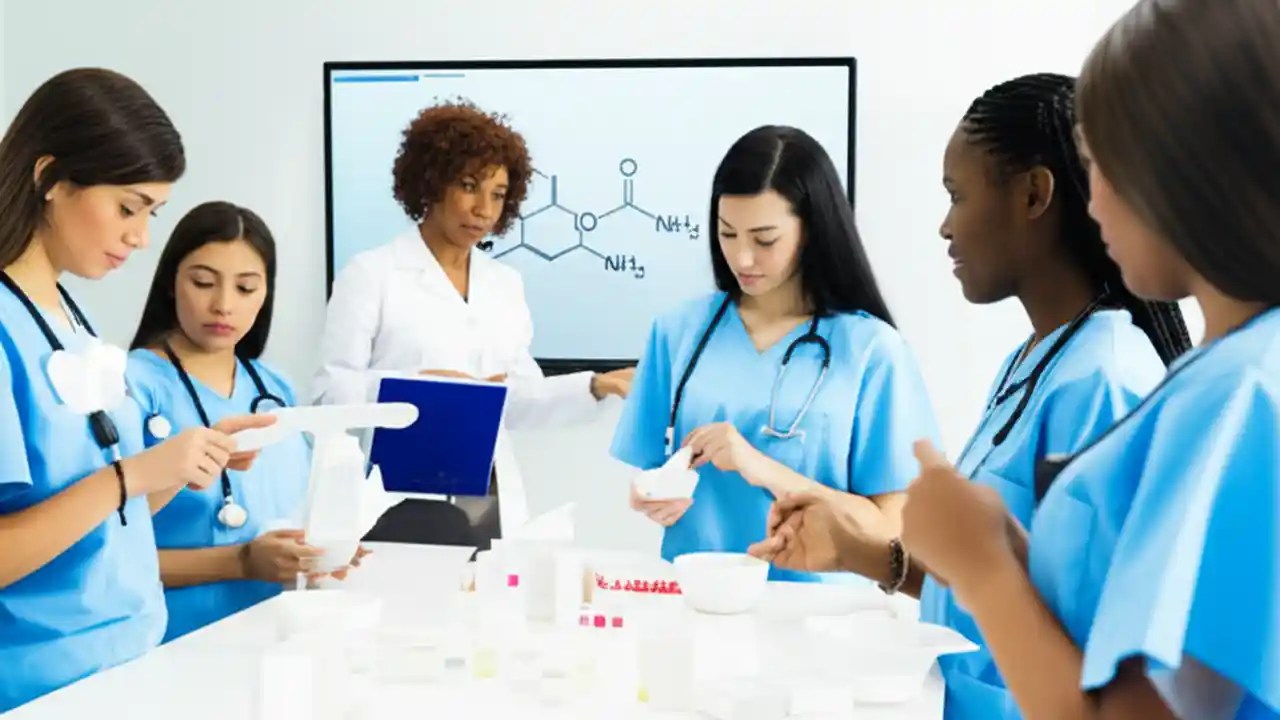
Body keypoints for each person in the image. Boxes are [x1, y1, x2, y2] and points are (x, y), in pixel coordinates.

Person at [750, 74, 1192, 718]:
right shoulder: (1034, 360)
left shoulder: (1106, 381)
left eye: (957, 195)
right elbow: (1001, 586)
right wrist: (858, 550)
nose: (944, 226)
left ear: (1034, 194)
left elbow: (1101, 653)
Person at [900, 1, 1280, 717]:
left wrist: (982, 568)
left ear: (1184, 168)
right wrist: (997, 546)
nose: (1091, 198)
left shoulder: (1238, 394)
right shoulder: (1231, 376)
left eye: (1099, 163)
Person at [0, 69, 270, 712]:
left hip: (126, 658)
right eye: (128, 207)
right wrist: (128, 476)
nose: (140, 237)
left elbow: (104, 526)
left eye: (152, 213)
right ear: (49, 179)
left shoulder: (70, 318)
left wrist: (182, 464)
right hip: (41, 680)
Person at [611, 125, 939, 583]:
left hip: (822, 621)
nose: (742, 258)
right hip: (697, 605)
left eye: (765, 240)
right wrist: (653, 496)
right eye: (727, 234)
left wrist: (759, 466)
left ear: (813, 229)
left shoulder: (872, 351)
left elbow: (891, 529)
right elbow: (654, 472)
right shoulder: (677, 332)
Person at [312, 100, 633, 549]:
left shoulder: (505, 286)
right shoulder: (371, 274)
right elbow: (329, 394)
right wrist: (419, 390)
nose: (483, 209)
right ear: (430, 182)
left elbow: (517, 401)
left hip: (488, 496)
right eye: (469, 186)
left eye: (498, 194)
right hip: (393, 495)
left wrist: (596, 385)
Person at [126, 201, 358, 643]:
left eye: (246, 288)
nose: (223, 305)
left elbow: (299, 512)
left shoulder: (275, 388)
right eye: (202, 282)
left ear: (266, 293)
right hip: (172, 641)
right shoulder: (131, 385)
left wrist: (326, 547)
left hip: (278, 631)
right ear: (171, 284)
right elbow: (102, 555)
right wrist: (240, 561)